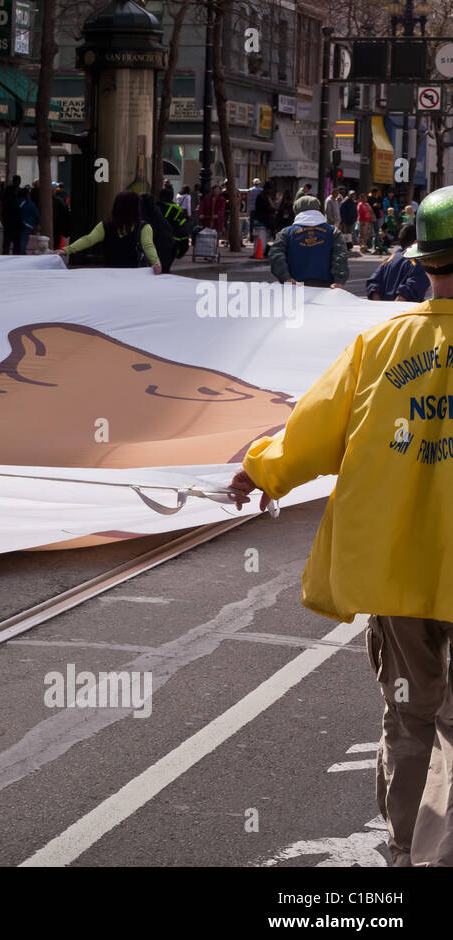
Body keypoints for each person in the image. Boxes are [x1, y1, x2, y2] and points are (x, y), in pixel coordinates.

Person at [229, 184, 453, 867]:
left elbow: (311, 434)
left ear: (424, 264)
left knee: (412, 715)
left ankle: (411, 848)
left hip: (398, 571)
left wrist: (260, 472)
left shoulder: (380, 346)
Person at [59, 189, 162, 273]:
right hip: (134, 274)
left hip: (110, 273)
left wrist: (66, 250)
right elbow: (148, 246)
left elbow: (88, 240)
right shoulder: (144, 227)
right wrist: (156, 262)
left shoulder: (105, 225)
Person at [267, 195, 348, 288]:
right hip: (326, 285)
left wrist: (286, 278)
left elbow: (275, 255)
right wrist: (339, 280)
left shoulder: (286, 233)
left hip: (295, 285)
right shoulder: (333, 231)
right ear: (318, 209)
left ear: (296, 211)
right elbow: (340, 256)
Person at [366, 224, 429, 302]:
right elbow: (410, 290)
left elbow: (374, 283)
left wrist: (380, 307)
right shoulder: (419, 264)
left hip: (384, 310)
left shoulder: (389, 260)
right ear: (416, 243)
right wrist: (395, 308)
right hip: (404, 312)